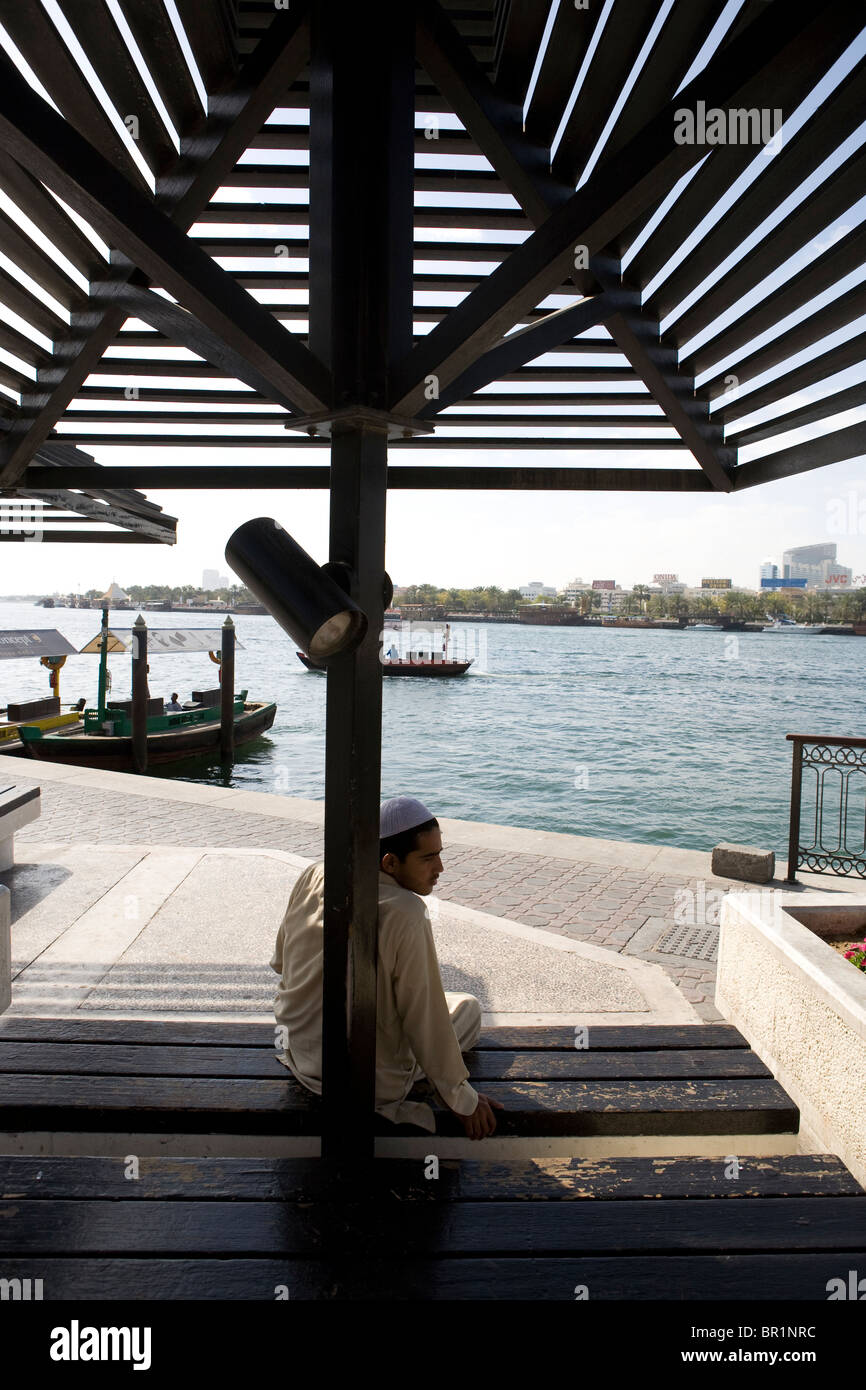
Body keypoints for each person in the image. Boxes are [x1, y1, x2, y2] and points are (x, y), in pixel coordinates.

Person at [270, 795, 504, 1139]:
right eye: (429, 858)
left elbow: (280, 962)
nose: (440, 869)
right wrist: (461, 1097)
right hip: (365, 1079)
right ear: (390, 863)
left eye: (440, 854)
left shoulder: (316, 874)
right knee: (467, 1009)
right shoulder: (406, 912)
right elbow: (424, 1018)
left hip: (302, 1056)